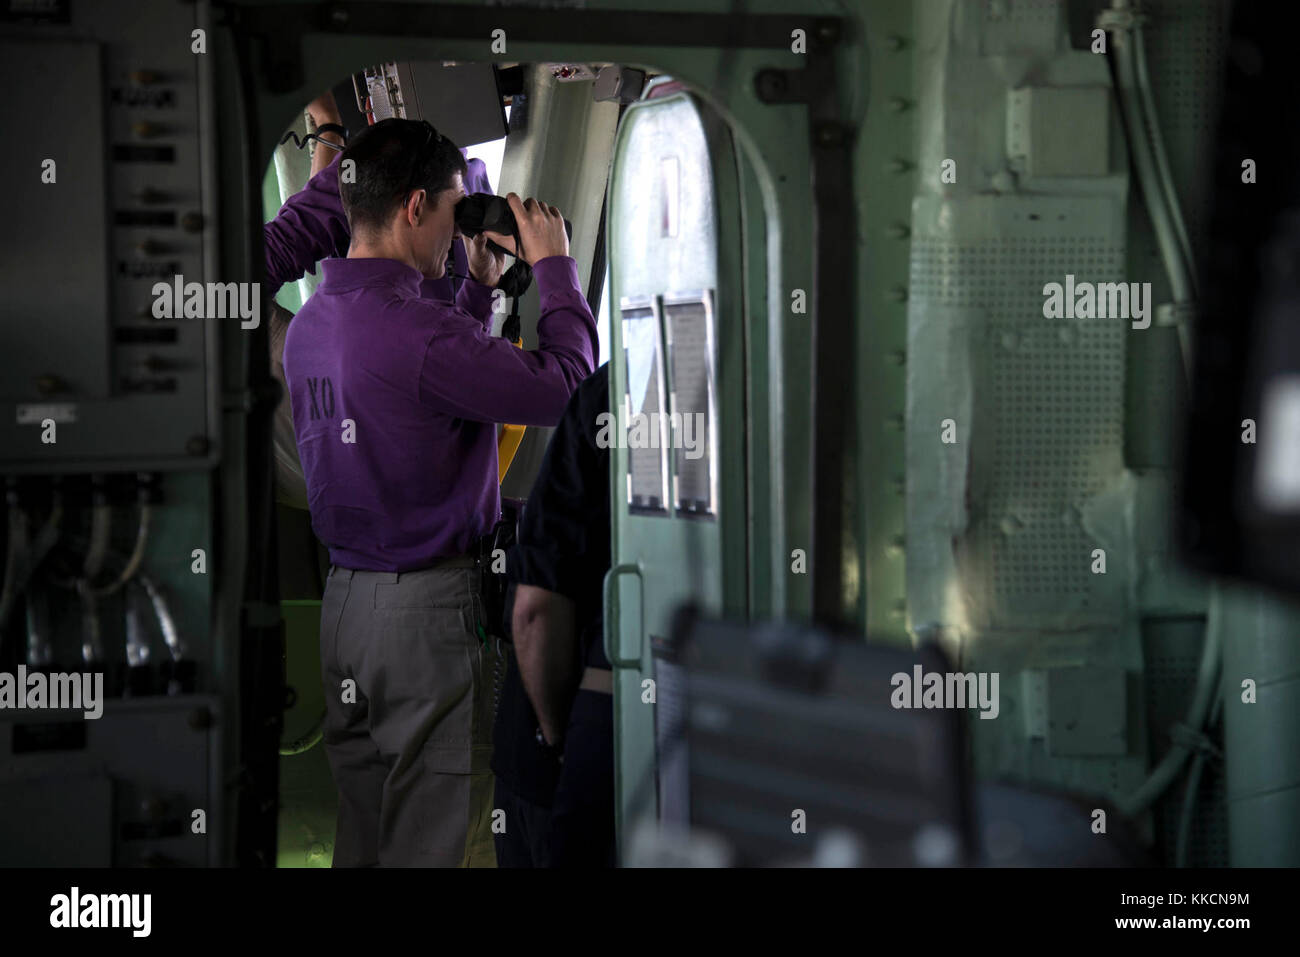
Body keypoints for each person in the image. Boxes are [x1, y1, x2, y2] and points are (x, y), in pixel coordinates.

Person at [282, 117, 597, 867]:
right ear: (416, 207)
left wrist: (479, 290)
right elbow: (572, 389)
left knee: (367, 835)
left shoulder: (314, 325)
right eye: (458, 211)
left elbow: (421, 390)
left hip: (348, 609)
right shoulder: (416, 333)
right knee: (440, 843)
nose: (460, 233)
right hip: (425, 622)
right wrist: (554, 268)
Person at [493, 363, 615, 867]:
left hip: (531, 755)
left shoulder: (614, 390)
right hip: (577, 764)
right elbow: (536, 613)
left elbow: (534, 610)